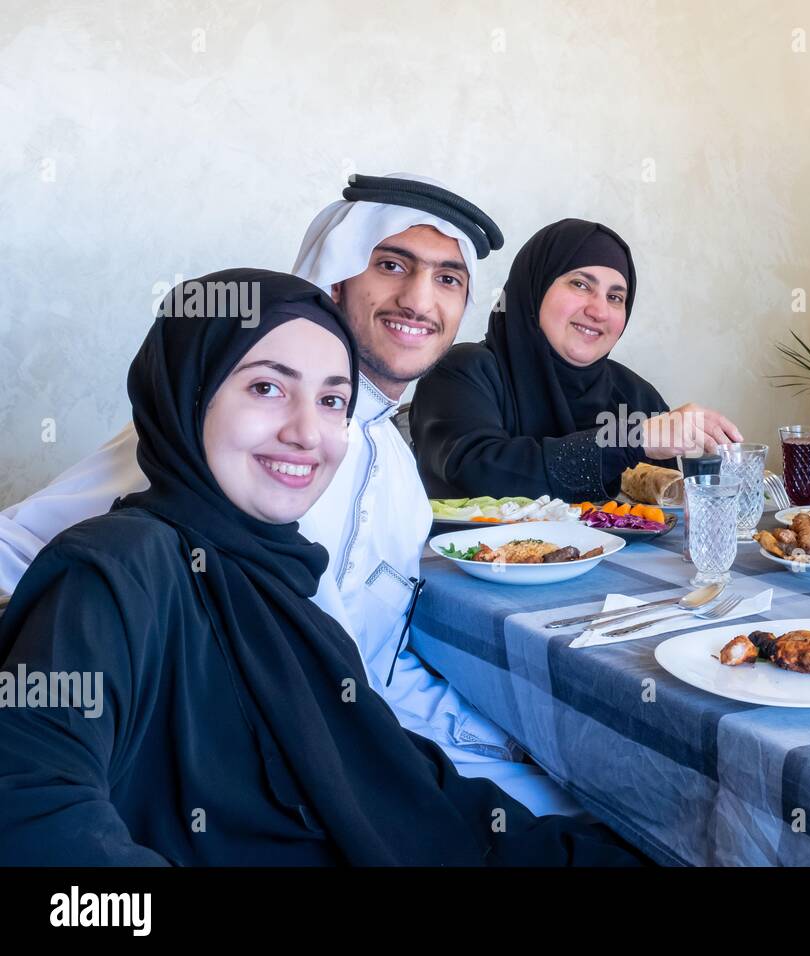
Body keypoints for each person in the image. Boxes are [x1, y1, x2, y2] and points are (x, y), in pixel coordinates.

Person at [0, 271, 638, 865]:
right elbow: (32, 812)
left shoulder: (290, 584)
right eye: (266, 388)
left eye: (333, 401)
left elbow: (392, 779)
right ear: (186, 398)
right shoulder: (111, 572)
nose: (309, 432)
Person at [411, 218, 743, 500]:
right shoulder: (462, 373)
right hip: (477, 570)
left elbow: (662, 510)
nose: (599, 311)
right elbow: (476, 473)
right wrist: (631, 439)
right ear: (535, 289)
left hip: (618, 576)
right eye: (581, 284)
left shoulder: (634, 394)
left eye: (615, 297)